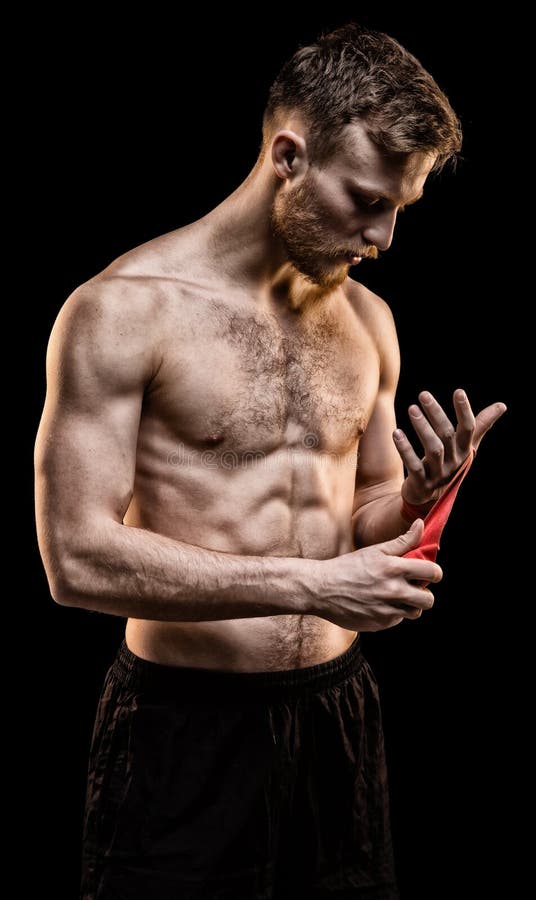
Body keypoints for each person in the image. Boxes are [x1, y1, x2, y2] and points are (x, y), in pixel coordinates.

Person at [35, 22, 506, 900]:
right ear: (288, 155)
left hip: (338, 713)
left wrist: (410, 498)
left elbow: (361, 511)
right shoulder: (123, 312)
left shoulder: (367, 322)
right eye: (368, 199)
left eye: (400, 207)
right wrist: (312, 585)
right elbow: (76, 557)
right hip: (182, 729)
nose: (386, 236)